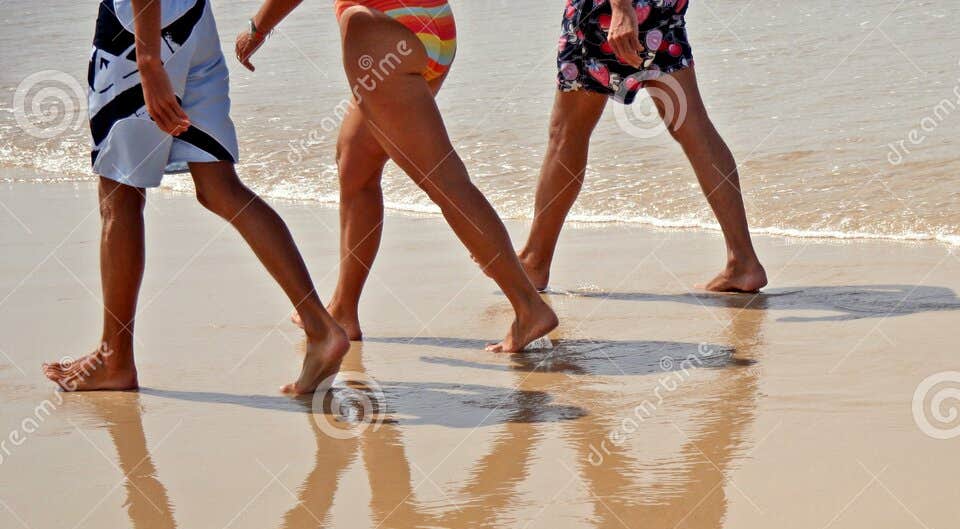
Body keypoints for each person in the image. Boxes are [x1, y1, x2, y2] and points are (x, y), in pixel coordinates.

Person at [44, 0, 348, 395]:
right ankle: (320, 326)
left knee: (119, 193)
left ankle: (114, 359)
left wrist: (149, 60)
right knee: (220, 188)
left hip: (137, 28)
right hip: (193, 21)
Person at [235, 1, 558, 350]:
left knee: (444, 180)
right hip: (431, 26)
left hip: (379, 34)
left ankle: (529, 308)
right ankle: (343, 309)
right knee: (355, 165)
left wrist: (258, 28)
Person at [521, 0, 767, 293]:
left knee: (566, 134)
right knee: (693, 125)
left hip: (608, 10)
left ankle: (534, 262)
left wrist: (621, 8)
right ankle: (743, 260)